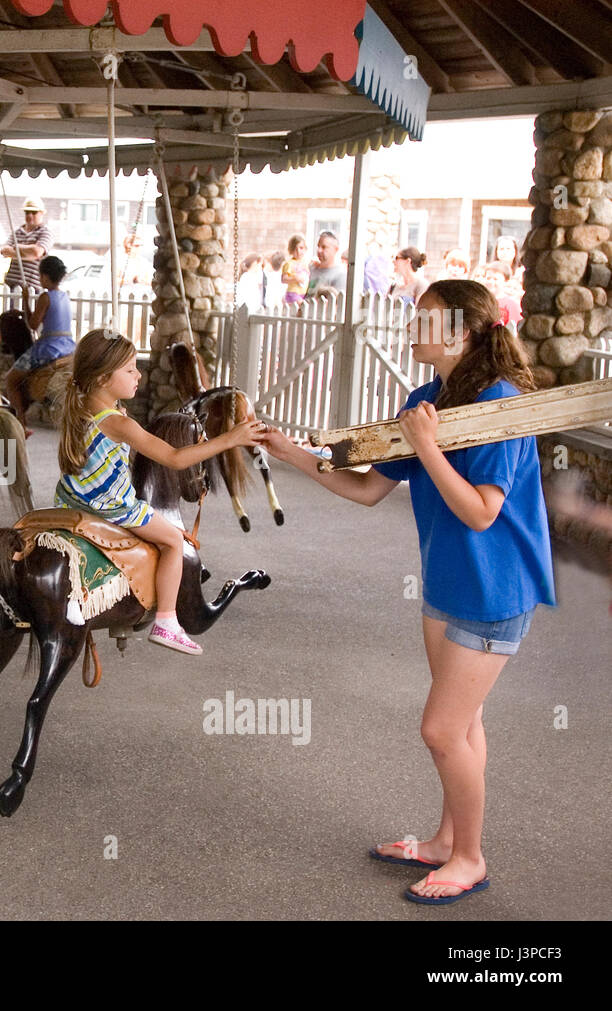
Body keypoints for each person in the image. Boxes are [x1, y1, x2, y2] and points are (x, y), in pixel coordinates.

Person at [261, 279, 555, 904]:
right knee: (464, 724)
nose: (412, 325)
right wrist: (288, 452)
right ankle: (449, 841)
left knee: (441, 731)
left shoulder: (499, 407)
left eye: (426, 317)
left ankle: (470, 858)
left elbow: (480, 513)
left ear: (464, 330)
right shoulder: (427, 397)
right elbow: (368, 489)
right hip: (447, 582)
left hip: (496, 591)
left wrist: (427, 444)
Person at [56, 330, 267, 655]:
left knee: (164, 526)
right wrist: (229, 440)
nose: (138, 374)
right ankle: (167, 621)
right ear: (102, 378)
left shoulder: (79, 407)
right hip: (111, 507)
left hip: (72, 500)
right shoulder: (117, 423)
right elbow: (174, 458)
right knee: (173, 541)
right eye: (129, 369)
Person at [5, 255, 75, 433]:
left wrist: (26, 300)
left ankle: (21, 424)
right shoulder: (64, 296)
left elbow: (33, 325)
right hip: (68, 346)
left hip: (48, 349)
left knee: (11, 380)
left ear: (44, 276)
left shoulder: (45, 296)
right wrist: (24, 312)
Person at [1, 196, 53, 295]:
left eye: (34, 212)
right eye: (27, 212)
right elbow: (4, 251)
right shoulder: (17, 232)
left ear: (42, 213)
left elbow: (37, 252)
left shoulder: (46, 232)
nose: (30, 215)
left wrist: (18, 247)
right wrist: (29, 254)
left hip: (32, 286)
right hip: (11, 284)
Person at [282, 234, 309, 305]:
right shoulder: (289, 263)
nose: (298, 251)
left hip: (303, 293)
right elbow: (284, 279)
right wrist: (295, 278)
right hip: (293, 293)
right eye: (295, 249)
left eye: (301, 248)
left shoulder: (306, 262)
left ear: (305, 249)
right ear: (291, 250)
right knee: (303, 306)